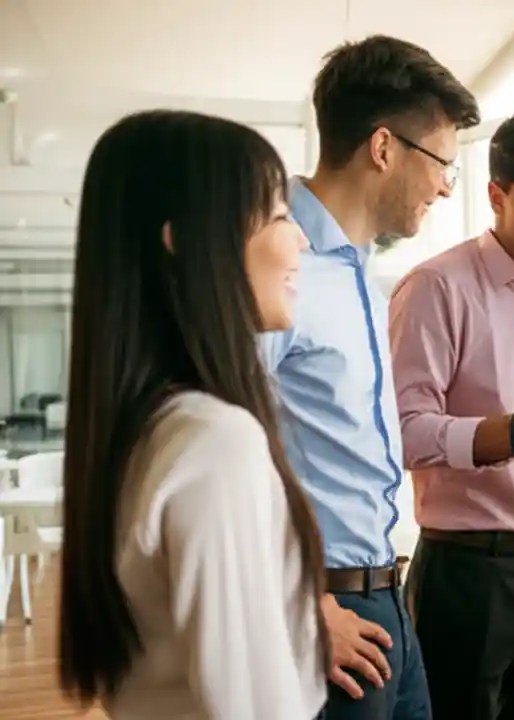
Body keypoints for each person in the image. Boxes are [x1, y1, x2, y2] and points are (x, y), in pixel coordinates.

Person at [57, 110, 326, 718]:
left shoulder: (146, 431)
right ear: (189, 240)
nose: (300, 240)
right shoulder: (215, 442)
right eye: (281, 215)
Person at [259, 35, 480, 719]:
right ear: (383, 149)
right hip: (323, 606)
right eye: (443, 161)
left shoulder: (363, 276)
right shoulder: (273, 263)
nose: (447, 184)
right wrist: (303, 604)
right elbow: (231, 452)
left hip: (387, 596)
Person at [389, 105, 514, 720]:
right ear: (497, 195)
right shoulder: (436, 287)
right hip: (467, 573)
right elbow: (403, 432)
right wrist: (513, 433)